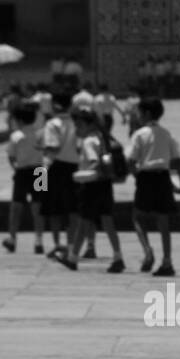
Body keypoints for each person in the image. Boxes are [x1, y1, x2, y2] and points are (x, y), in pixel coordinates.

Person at [58, 105, 124, 273]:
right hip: (104, 184)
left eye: (78, 125)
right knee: (107, 222)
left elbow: (94, 161)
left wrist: (83, 175)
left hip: (87, 184)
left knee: (80, 221)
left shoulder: (87, 140)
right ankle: (117, 256)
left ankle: (71, 256)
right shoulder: (102, 136)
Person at [127, 97, 180, 276]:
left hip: (146, 176)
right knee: (163, 221)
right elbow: (176, 160)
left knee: (137, 216)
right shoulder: (167, 133)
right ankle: (167, 260)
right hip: (163, 177)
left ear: (147, 114)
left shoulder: (139, 134)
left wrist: (137, 176)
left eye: (139, 112)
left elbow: (131, 160)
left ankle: (147, 251)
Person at [39, 91, 82, 259]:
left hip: (53, 169)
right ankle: (73, 245)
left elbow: (53, 147)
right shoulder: (77, 122)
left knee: (52, 208)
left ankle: (57, 244)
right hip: (75, 167)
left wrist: (42, 148)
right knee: (73, 209)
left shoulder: (52, 123)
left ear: (56, 105)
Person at [3, 103, 46, 255]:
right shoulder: (41, 134)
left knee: (16, 207)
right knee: (38, 207)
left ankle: (12, 238)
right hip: (40, 171)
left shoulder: (15, 135)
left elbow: (11, 156)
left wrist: (16, 169)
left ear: (19, 120)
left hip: (22, 172)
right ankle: (39, 240)